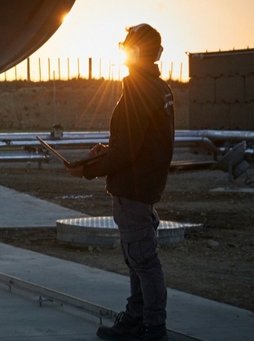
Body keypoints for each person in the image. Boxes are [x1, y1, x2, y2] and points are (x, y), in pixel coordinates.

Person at [67, 23, 175, 341]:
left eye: (127, 47)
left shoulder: (140, 90)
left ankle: (153, 328)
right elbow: (140, 142)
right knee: (136, 256)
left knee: (142, 258)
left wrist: (86, 170)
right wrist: (107, 150)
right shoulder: (158, 88)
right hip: (143, 184)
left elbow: (129, 151)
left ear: (137, 52)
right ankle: (137, 317)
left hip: (134, 187)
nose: (124, 53)